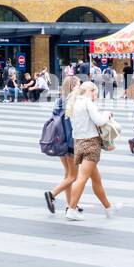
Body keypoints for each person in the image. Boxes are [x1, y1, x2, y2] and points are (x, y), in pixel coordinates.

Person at [63, 81, 118, 221]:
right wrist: (107, 114)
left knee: (96, 179)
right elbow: (99, 121)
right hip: (91, 143)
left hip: (78, 143)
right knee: (82, 178)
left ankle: (109, 208)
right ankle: (71, 209)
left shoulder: (73, 102)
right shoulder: (87, 103)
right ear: (91, 91)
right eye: (95, 94)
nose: (96, 97)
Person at [43, 74, 81, 215]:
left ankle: (70, 205)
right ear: (72, 86)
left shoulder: (59, 101)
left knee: (67, 174)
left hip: (59, 141)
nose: (80, 86)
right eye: (78, 84)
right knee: (73, 176)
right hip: (70, 143)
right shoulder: (73, 102)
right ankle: (52, 194)